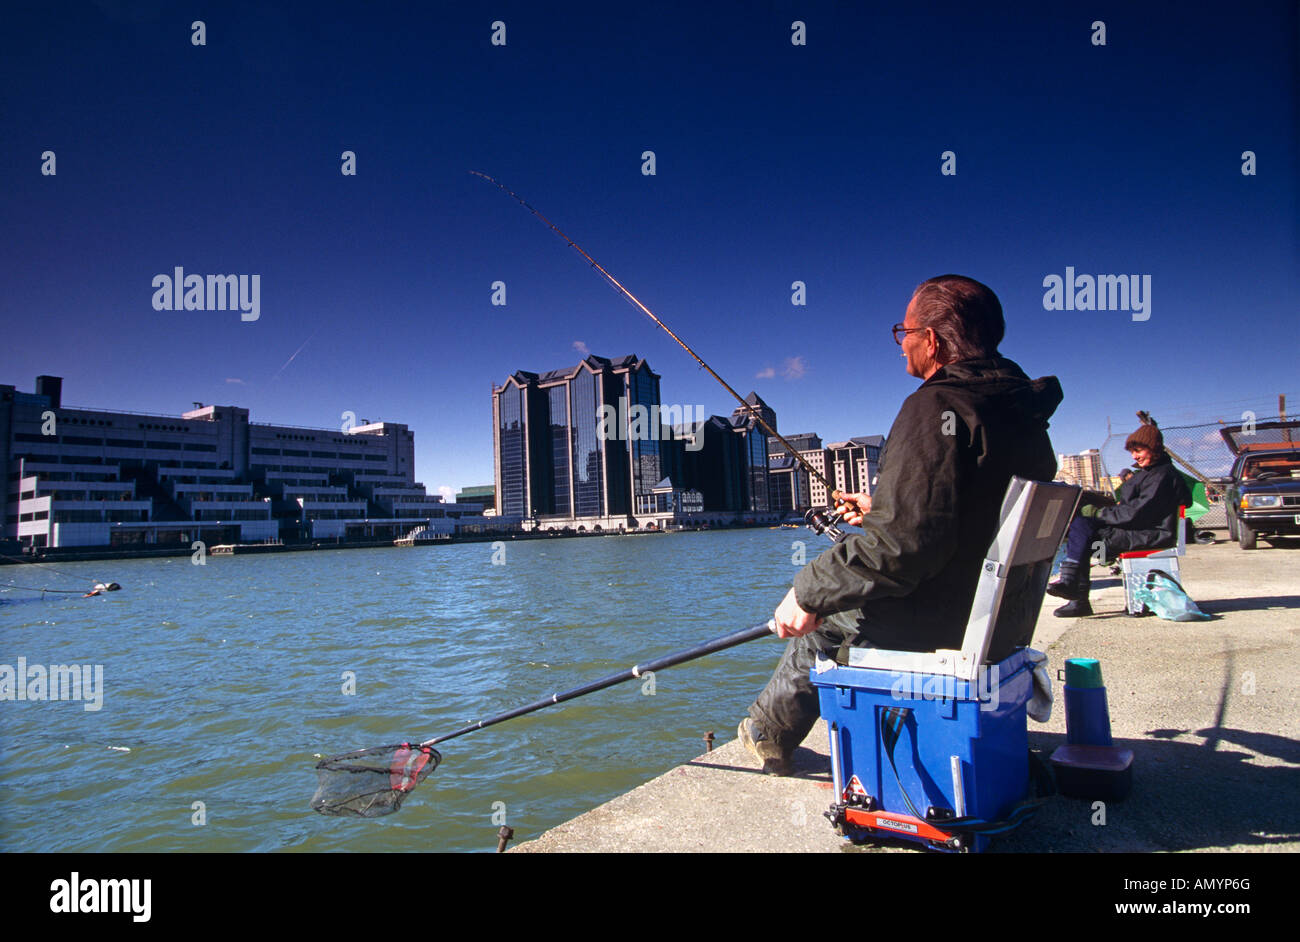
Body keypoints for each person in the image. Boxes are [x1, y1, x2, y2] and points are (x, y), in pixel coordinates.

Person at [738, 275, 1062, 775]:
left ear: (930, 340)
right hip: (1003, 620)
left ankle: (767, 732)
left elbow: (904, 549)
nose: (900, 344)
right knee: (842, 586)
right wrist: (881, 507)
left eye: (902, 331)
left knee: (829, 614)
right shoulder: (1019, 413)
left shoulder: (936, 405)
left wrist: (806, 592)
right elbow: (969, 509)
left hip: (944, 623)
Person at [1047, 425, 1191, 617]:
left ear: (1154, 447)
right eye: (1132, 452)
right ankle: (1072, 586)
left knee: (1082, 533)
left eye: (1138, 451)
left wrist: (1098, 513)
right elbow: (1134, 509)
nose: (1134, 456)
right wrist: (1101, 512)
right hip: (1145, 529)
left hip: (1152, 534)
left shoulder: (1161, 476)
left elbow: (1136, 512)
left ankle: (1076, 594)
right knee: (1082, 528)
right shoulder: (1154, 473)